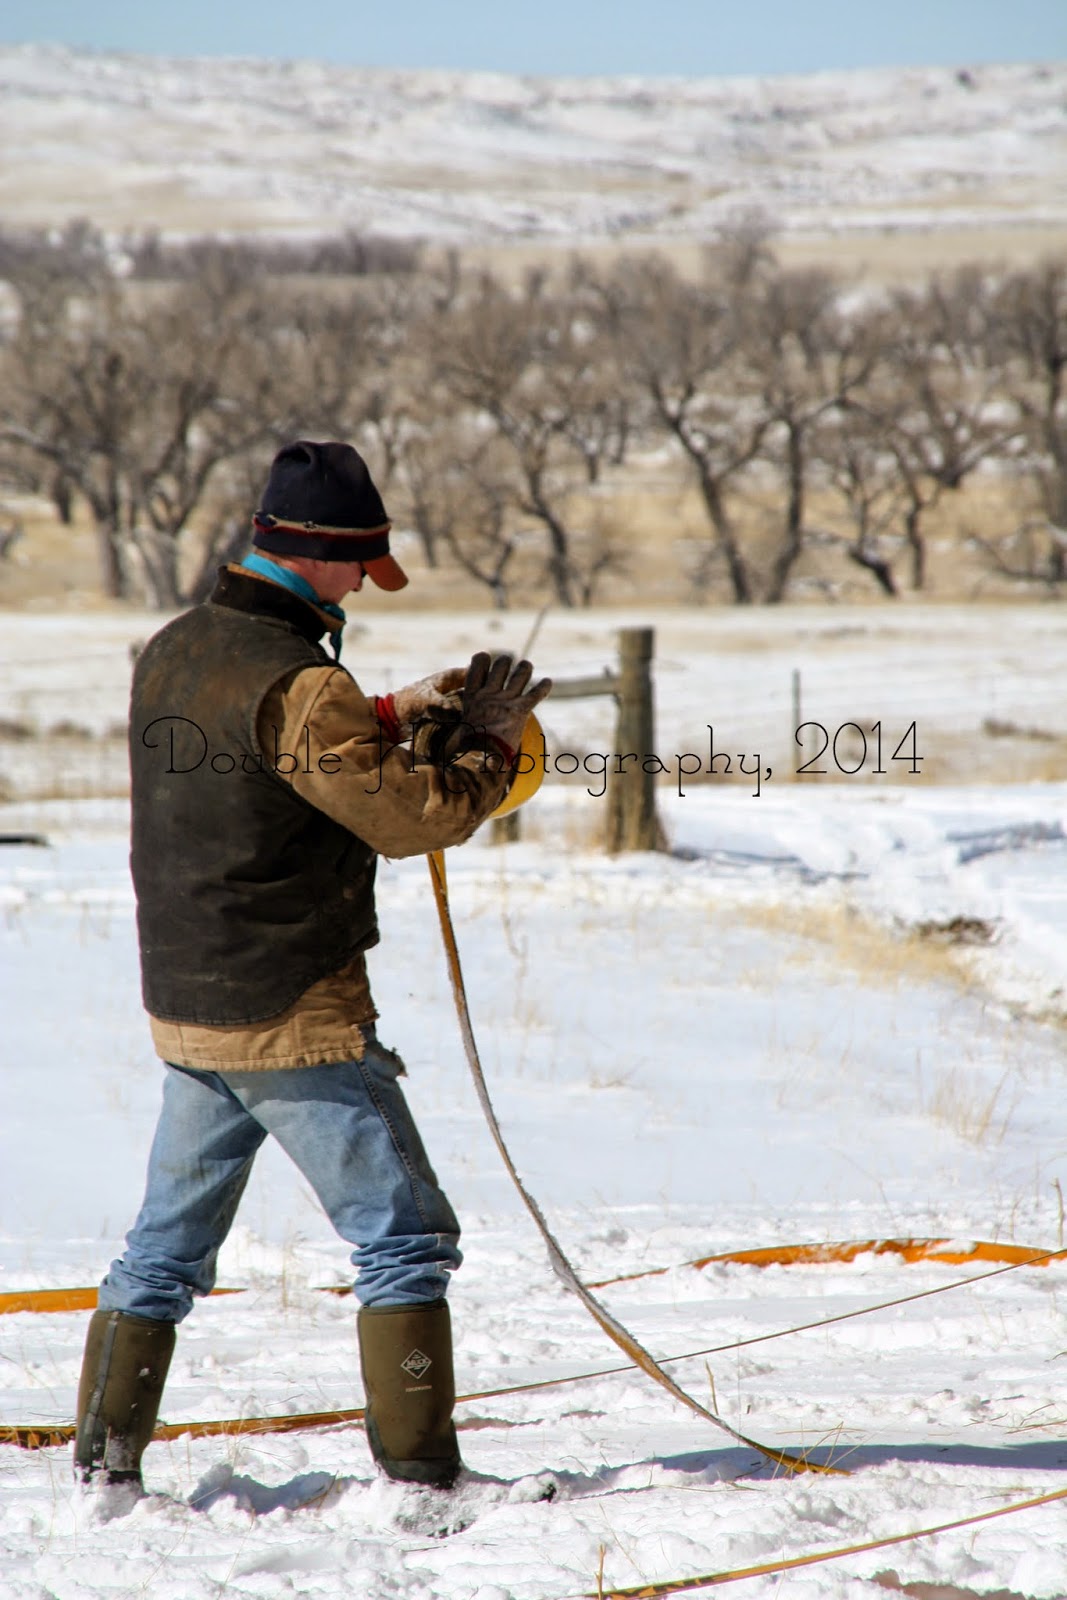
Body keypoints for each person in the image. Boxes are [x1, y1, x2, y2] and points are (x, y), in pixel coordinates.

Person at [73, 439, 551, 1494]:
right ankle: (425, 1483)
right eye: (361, 567)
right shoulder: (299, 680)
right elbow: (406, 816)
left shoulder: (175, 644)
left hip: (192, 1003)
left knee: (160, 1253)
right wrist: (482, 748)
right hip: (289, 1010)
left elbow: (259, 766)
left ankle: (103, 1472)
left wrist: (388, 716)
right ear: (323, 555)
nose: (363, 587)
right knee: (404, 1239)